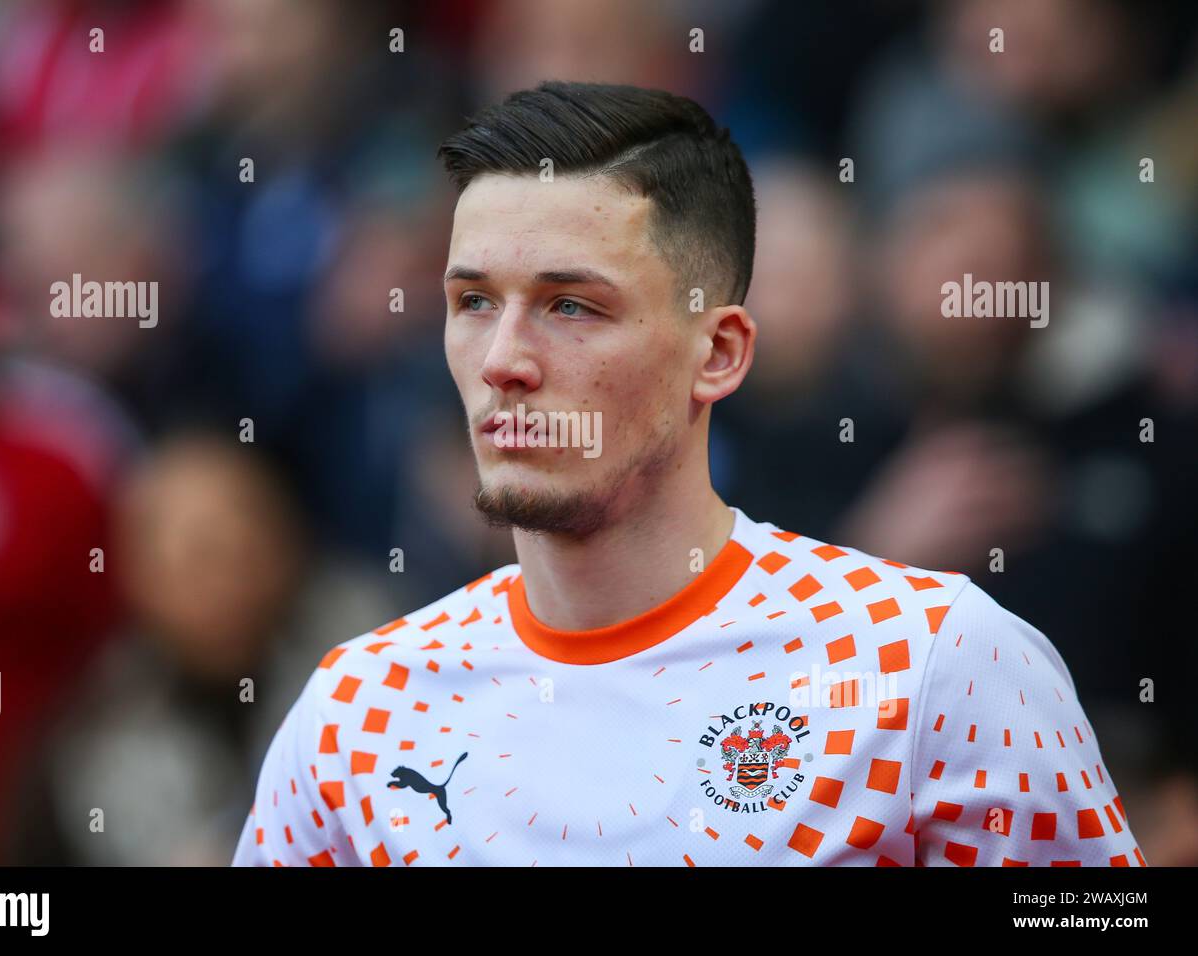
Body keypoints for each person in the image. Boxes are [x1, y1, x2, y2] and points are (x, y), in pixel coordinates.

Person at [232, 81, 1143, 867]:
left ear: (717, 352)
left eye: (571, 305)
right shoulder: (357, 716)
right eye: (473, 301)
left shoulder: (932, 666)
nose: (503, 358)